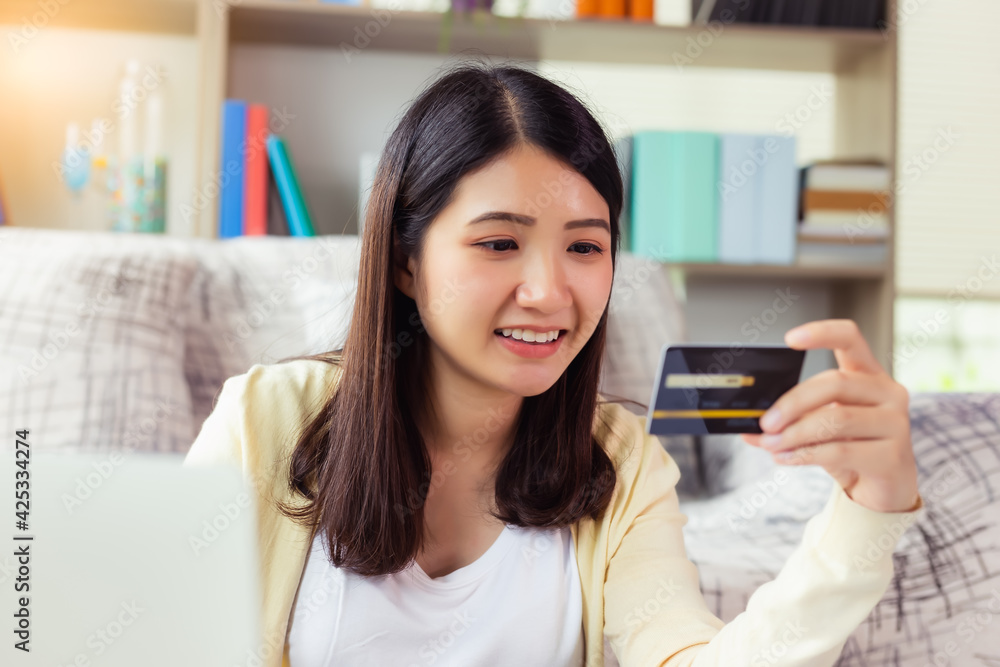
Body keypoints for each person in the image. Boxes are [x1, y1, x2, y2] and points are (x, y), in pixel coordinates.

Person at [184, 61, 924, 667]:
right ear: (406, 262)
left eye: (584, 246)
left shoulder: (622, 463)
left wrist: (869, 512)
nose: (548, 292)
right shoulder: (263, 420)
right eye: (499, 243)